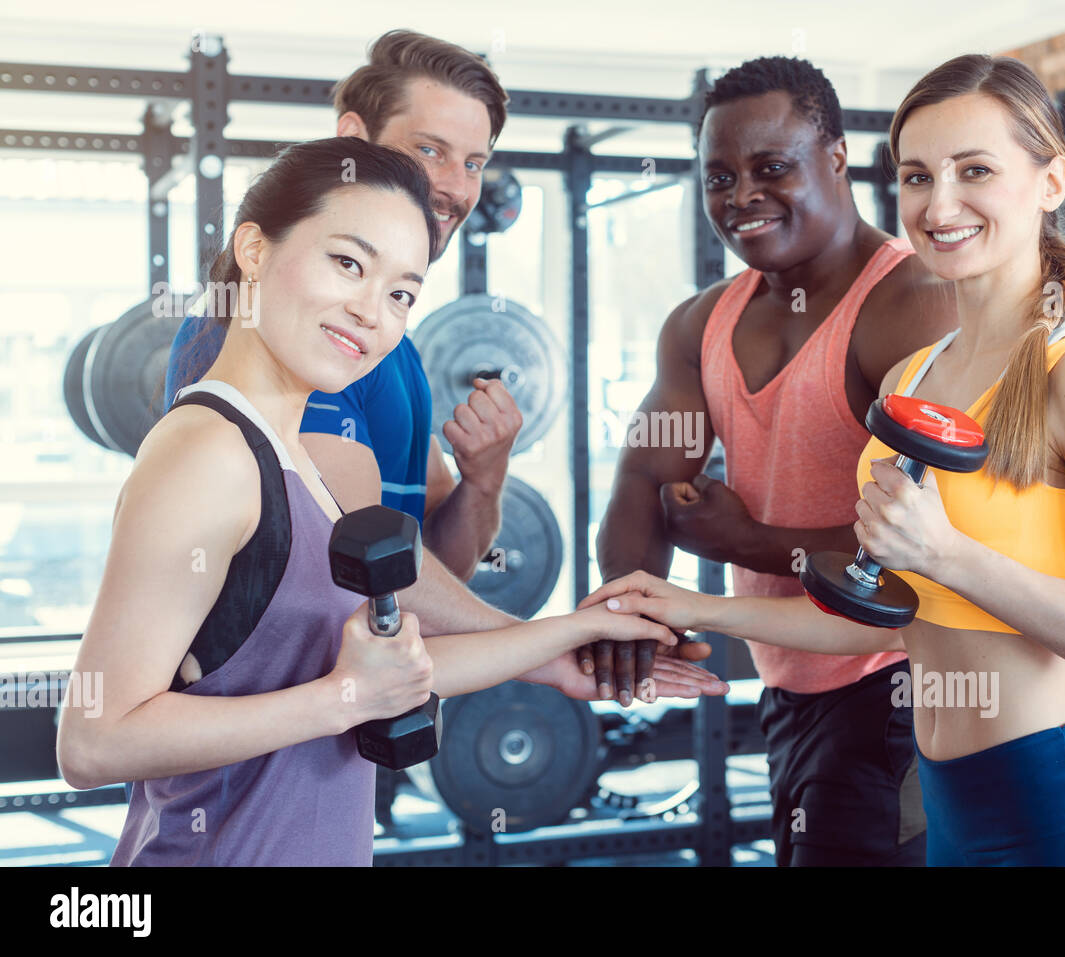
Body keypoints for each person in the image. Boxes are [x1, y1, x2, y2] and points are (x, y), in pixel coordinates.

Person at [586, 53, 1065, 866]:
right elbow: (879, 609)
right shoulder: (917, 375)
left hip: (1062, 808)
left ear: (1050, 181)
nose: (940, 205)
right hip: (954, 806)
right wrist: (695, 609)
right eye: (916, 176)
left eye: (975, 171)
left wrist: (949, 554)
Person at [56, 138, 696, 867]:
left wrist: (557, 645)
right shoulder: (206, 451)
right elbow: (93, 740)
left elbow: (396, 667)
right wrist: (348, 698)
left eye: (401, 293)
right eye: (348, 263)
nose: (372, 312)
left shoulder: (309, 455)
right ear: (255, 250)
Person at [163, 30, 721, 705]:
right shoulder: (262, 326)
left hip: (345, 731)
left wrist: (484, 480)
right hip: (245, 743)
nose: (454, 187)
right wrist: (553, 640)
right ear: (353, 138)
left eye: (474, 162)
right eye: (429, 150)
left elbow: (426, 570)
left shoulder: (393, 349)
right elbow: (351, 544)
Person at [579, 56, 958, 866]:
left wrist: (745, 541)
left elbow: (932, 544)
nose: (741, 195)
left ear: (837, 157)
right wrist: (628, 614)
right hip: (789, 685)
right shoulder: (699, 326)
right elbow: (644, 484)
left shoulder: (911, 303)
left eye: (771, 167)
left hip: (898, 684)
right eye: (719, 177)